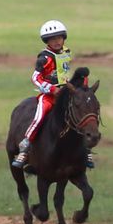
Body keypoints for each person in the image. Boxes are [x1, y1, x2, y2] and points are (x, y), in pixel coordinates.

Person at [14, 19, 89, 170]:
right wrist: (51, 89)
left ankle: (85, 148)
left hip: (66, 94)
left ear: (64, 38)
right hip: (49, 95)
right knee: (40, 116)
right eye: (52, 39)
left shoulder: (66, 52)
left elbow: (64, 72)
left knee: (81, 114)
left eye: (59, 37)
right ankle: (26, 146)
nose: (56, 41)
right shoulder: (44, 58)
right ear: (46, 41)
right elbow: (35, 77)